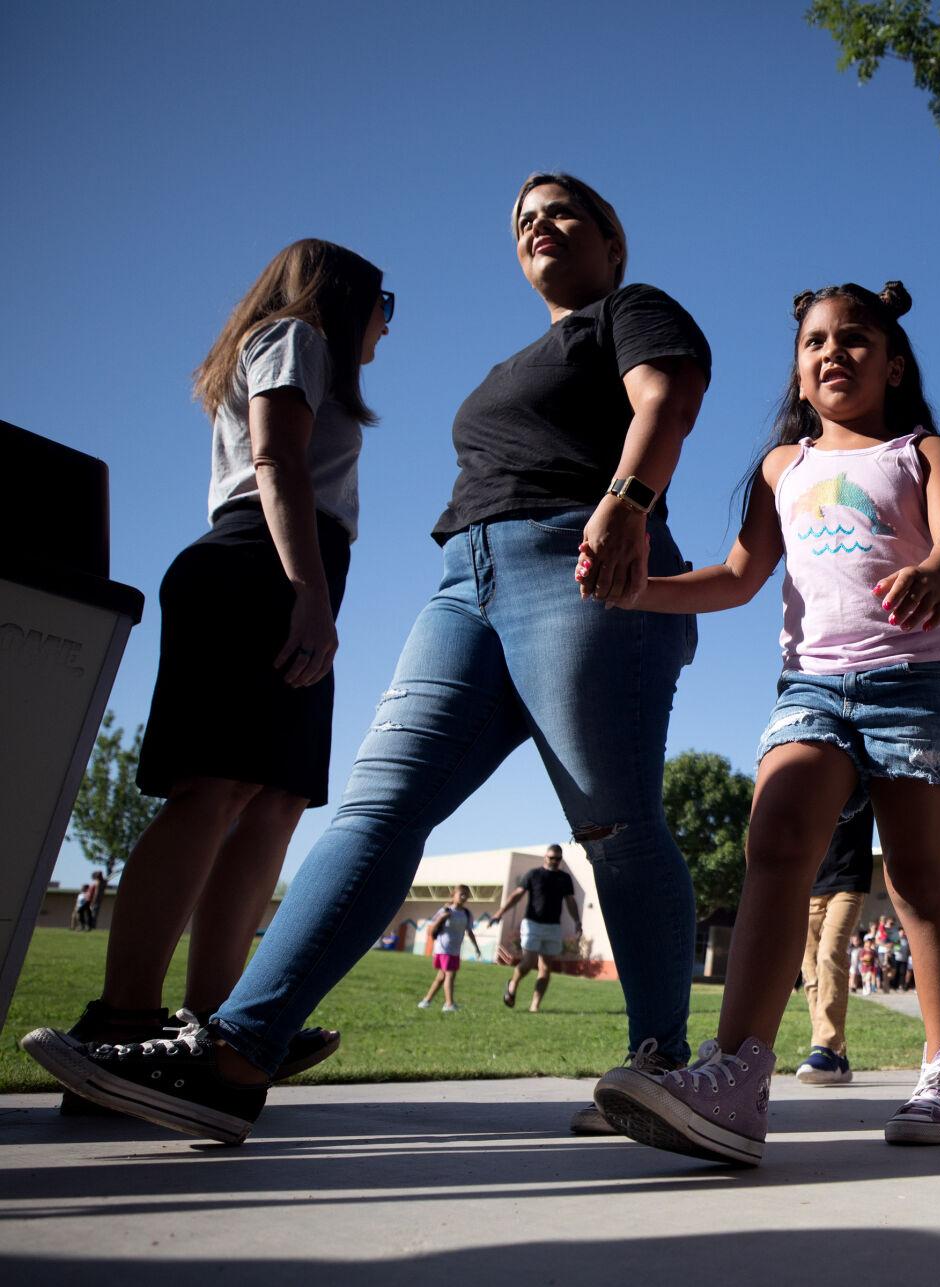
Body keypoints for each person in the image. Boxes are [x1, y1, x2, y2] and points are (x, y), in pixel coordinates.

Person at [24, 174, 710, 1146]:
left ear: (611, 238)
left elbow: (668, 396)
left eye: (562, 213)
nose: (538, 229)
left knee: (611, 818)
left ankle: (661, 1068)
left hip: (582, 561)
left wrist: (626, 504)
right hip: (462, 581)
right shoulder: (512, 360)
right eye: (522, 222)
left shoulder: (628, 315)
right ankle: (232, 1056)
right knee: (375, 806)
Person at [589, 280, 940, 1164]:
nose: (832, 352)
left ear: (892, 362)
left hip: (910, 681)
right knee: (773, 850)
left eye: (853, 340)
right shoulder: (782, 467)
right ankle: (736, 1078)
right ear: (798, 371)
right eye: (814, 341)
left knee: (918, 874)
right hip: (810, 684)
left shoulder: (924, 450)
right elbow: (737, 575)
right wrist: (640, 589)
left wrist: (938, 573)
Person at [23, 240, 389, 1113]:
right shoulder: (298, 335)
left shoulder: (300, 348)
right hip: (259, 568)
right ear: (345, 298)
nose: (385, 325)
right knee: (217, 788)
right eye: (385, 304)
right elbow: (276, 459)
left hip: (292, 570)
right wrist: (305, 591)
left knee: (275, 801)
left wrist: (311, 588)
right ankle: (121, 1021)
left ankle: (216, 1028)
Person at [797, 809, 874, 1085]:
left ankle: (825, 1047)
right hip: (808, 882)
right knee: (810, 972)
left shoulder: (862, 768)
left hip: (848, 879)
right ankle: (835, 1055)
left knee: (830, 955)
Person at [490, 845, 580, 1013]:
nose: (554, 861)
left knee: (545, 968)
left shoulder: (564, 878)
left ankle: (535, 1006)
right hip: (532, 924)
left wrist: (577, 921)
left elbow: (570, 901)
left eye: (558, 858)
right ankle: (513, 984)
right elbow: (516, 895)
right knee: (529, 962)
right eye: (551, 857)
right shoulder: (534, 874)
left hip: (553, 926)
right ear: (545, 857)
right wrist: (499, 913)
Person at [419, 886, 481, 1012]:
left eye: (466, 894)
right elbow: (431, 928)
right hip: (444, 948)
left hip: (455, 950)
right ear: (453, 895)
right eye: (461, 894)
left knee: (441, 977)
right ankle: (449, 1004)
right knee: (450, 975)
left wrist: (477, 948)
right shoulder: (445, 910)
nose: (464, 897)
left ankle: (426, 1001)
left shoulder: (467, 914)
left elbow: (469, 932)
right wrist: (441, 918)